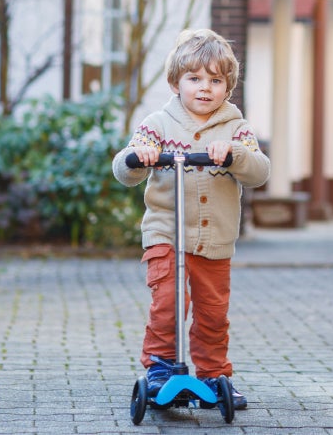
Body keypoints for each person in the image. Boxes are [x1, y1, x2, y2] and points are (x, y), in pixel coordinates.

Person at [112, 28, 270, 410]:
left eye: (215, 80)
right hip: (166, 234)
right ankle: (161, 369)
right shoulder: (158, 125)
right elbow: (123, 168)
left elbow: (259, 171)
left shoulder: (236, 128)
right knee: (168, 302)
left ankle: (215, 375)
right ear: (176, 81)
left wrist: (234, 154)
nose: (205, 88)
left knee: (213, 314)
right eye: (195, 79)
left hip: (213, 239)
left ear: (227, 86)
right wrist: (141, 154)